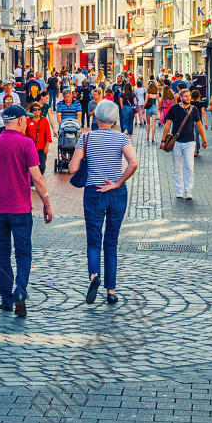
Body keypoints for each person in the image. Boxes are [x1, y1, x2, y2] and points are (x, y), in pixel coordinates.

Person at [0, 104, 52, 316]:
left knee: (2, 253)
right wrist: (47, 204)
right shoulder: (27, 144)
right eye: (26, 120)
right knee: (23, 252)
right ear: (21, 121)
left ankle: (5, 299)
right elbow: (37, 178)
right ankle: (20, 291)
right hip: (20, 209)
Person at [67, 99, 139, 306]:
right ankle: (111, 291)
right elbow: (133, 163)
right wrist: (117, 183)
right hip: (116, 194)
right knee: (112, 242)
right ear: (115, 119)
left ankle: (93, 276)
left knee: (93, 240)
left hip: (94, 192)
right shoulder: (122, 138)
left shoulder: (86, 138)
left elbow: (72, 169)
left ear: (96, 117)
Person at [160, 86, 204, 200]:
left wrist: (204, 140)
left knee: (189, 166)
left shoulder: (194, 109)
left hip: (190, 142)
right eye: (185, 96)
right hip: (177, 142)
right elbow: (167, 125)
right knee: (177, 167)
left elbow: (199, 125)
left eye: (189, 96)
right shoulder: (174, 109)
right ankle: (179, 190)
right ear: (180, 97)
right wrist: (163, 140)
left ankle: (188, 191)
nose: (188, 98)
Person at [27, 102, 53, 174]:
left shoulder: (44, 120)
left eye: (38, 109)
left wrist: (46, 147)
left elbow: (48, 134)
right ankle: (32, 182)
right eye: (34, 109)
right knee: (31, 165)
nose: (37, 111)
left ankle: (39, 177)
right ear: (31, 111)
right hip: (31, 148)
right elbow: (25, 134)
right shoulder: (28, 120)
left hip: (41, 147)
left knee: (41, 166)